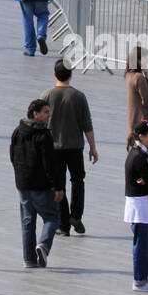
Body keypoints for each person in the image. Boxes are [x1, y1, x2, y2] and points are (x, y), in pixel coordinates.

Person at [41, 60, 98, 236]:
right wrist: (93, 148)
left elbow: (40, 123)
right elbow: (87, 124)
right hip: (75, 147)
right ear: (71, 74)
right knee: (78, 180)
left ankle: (63, 223)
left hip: (54, 148)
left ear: (54, 74)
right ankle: (76, 215)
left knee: (59, 185)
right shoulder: (79, 96)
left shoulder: (47, 95)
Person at [10, 100, 63, 269]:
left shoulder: (18, 131)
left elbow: (12, 155)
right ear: (35, 114)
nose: (48, 116)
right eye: (46, 112)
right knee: (52, 217)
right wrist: (57, 186)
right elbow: (50, 163)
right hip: (40, 185)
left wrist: (19, 174)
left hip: (22, 183)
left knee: (27, 221)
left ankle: (29, 259)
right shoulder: (43, 134)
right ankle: (43, 246)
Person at [125, 120, 148, 292]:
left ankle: (143, 278)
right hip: (138, 205)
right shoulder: (138, 156)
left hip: (145, 203)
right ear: (141, 136)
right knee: (143, 244)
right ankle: (139, 280)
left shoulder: (146, 153)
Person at [125, 46, 148, 146]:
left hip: (133, 121)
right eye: (145, 58)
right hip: (143, 121)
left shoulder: (130, 75)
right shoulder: (139, 78)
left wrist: (146, 74)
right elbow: (147, 99)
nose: (146, 61)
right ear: (138, 60)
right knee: (146, 153)